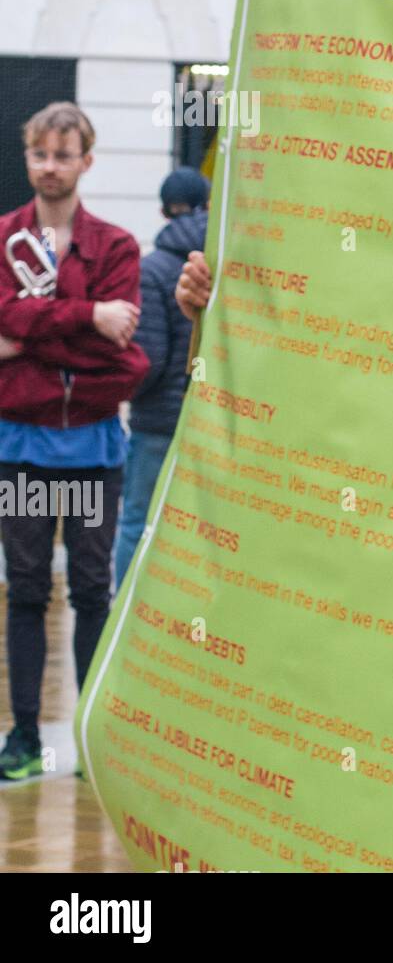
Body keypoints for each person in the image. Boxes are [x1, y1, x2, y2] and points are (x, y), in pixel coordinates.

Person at [0, 103, 149, 780]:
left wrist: (26, 343)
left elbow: (128, 366)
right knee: (27, 593)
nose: (51, 167)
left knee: (93, 592)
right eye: (41, 155)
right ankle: (25, 737)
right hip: (23, 452)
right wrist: (88, 316)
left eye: (65, 155)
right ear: (27, 158)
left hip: (93, 452)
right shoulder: (3, 238)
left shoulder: (117, 246)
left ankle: (91, 737)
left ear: (87, 160)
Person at [113, 169, 210, 590]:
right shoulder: (217, 265)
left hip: (155, 424)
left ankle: (127, 607)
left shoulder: (149, 269)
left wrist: (130, 395)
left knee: (137, 521)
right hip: (205, 425)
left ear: (161, 210)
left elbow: (148, 361)